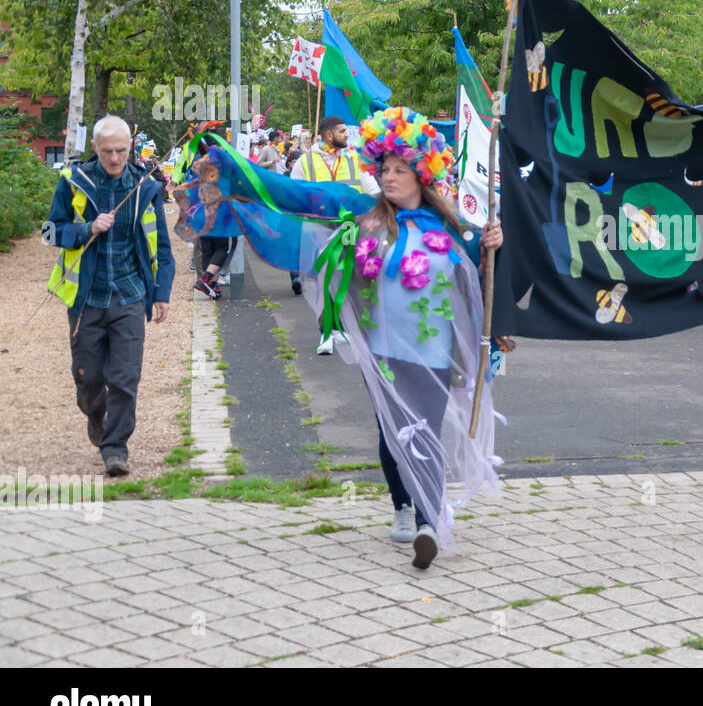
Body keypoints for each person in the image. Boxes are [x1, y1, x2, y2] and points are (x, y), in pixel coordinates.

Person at [178, 106, 504, 568]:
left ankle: (430, 522)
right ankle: (405, 508)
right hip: (384, 352)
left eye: (399, 170)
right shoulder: (362, 214)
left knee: (424, 432)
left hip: (436, 352)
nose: (388, 177)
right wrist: (237, 167)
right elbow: (297, 194)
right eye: (383, 169)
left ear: (421, 174)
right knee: (395, 433)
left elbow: (485, 276)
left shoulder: (453, 227)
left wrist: (495, 241)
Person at [46, 115, 175, 477]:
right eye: (107, 152)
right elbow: (48, 232)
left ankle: (115, 449)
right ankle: (95, 413)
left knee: (125, 377)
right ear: (95, 149)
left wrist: (161, 292)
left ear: (130, 148)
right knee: (89, 379)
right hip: (87, 300)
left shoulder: (145, 188)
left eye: (120, 151)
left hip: (131, 295)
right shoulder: (74, 183)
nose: (115, 158)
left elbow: (162, 249)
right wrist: (87, 227)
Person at [290, 116, 379, 334]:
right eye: (342, 131)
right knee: (326, 279)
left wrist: (384, 204)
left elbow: (370, 186)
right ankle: (328, 328)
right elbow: (294, 193)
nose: (347, 134)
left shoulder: (354, 158)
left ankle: (351, 325)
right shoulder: (305, 161)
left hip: (350, 228)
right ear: (328, 135)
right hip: (319, 230)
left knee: (350, 277)